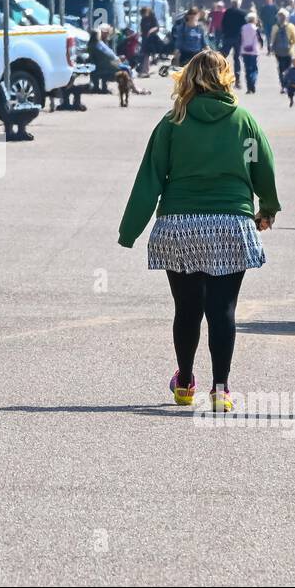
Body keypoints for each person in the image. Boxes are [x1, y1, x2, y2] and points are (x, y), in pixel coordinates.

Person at [118, 50, 280, 413]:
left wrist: (130, 230)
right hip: (230, 224)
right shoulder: (244, 121)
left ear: (187, 78)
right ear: (225, 77)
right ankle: (220, 389)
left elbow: (150, 177)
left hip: (180, 225)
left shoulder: (172, 122)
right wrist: (267, 208)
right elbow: (263, 167)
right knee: (222, 308)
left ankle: (186, 381)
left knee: (187, 308)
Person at [220, 0, 247, 89]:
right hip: (238, 38)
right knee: (237, 59)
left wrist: (223, 34)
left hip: (228, 37)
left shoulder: (227, 12)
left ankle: (220, 76)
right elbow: (245, 27)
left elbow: (223, 24)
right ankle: (237, 81)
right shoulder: (243, 13)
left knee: (222, 57)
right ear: (239, 3)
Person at [269, 8, 295, 92]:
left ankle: (283, 85)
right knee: (288, 68)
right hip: (288, 51)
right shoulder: (291, 26)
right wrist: (291, 45)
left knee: (281, 68)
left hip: (278, 51)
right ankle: (287, 84)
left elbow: (272, 39)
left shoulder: (275, 27)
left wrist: (271, 48)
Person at [239, 11, 263, 94]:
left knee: (247, 68)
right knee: (254, 69)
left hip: (244, 50)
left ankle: (249, 87)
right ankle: (252, 83)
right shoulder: (256, 28)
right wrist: (261, 46)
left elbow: (240, 38)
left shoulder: (243, 27)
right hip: (254, 51)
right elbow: (260, 39)